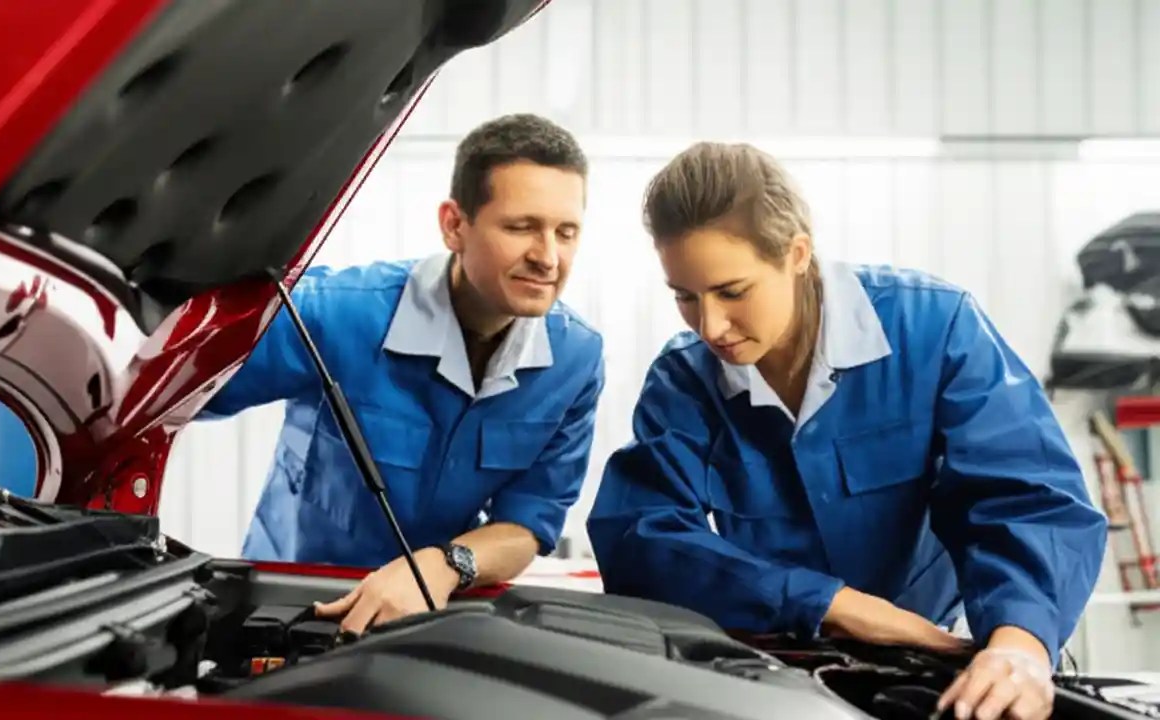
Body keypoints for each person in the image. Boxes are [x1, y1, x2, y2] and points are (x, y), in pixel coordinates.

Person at [587, 142, 1107, 720]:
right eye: (685, 296)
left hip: (948, 653)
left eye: (732, 291)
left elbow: (1028, 497)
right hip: (782, 669)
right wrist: (832, 605)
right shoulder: (685, 380)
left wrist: (1020, 644)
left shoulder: (934, 329)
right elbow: (642, 538)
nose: (709, 326)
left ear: (796, 253)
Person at [204, 113, 604, 634]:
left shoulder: (576, 359)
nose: (548, 257)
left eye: (566, 232)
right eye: (521, 227)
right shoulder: (336, 314)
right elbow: (171, 398)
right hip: (295, 608)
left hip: (431, 615)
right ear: (454, 225)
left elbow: (527, 524)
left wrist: (444, 564)